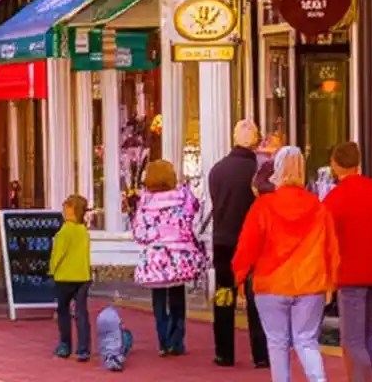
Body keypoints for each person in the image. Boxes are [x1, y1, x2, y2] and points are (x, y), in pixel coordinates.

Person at [233, 147, 339, 382]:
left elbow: (247, 245)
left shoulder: (263, 206)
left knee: (277, 343)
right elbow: (331, 247)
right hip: (310, 282)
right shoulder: (318, 207)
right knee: (307, 340)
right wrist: (331, 282)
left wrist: (240, 275)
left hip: (271, 283)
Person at [323, 142, 372, 382]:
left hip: (351, 274)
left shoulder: (335, 199)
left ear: (335, 165)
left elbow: (325, 237)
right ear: (358, 163)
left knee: (353, 340)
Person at [207, 119, 269, 368]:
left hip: (223, 239)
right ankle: (261, 354)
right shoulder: (258, 171)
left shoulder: (217, 169)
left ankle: (224, 351)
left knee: (224, 295)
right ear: (255, 141)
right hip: (252, 241)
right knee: (256, 299)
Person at [132, 159, 206, 357]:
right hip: (178, 256)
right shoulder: (182, 198)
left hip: (156, 257)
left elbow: (139, 233)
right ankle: (177, 340)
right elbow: (191, 222)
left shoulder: (145, 203)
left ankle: (163, 341)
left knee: (158, 299)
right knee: (177, 298)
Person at [49, 193, 92, 361]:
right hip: (82, 277)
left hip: (64, 277)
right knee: (81, 313)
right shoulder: (84, 231)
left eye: (66, 208)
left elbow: (57, 254)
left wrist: (52, 271)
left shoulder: (64, 231)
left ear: (72, 211)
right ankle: (83, 348)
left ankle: (65, 345)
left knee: (63, 311)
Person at [95, 303, 134, 372]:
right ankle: (114, 358)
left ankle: (111, 358)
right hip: (113, 318)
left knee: (106, 338)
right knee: (126, 337)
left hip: (102, 318)